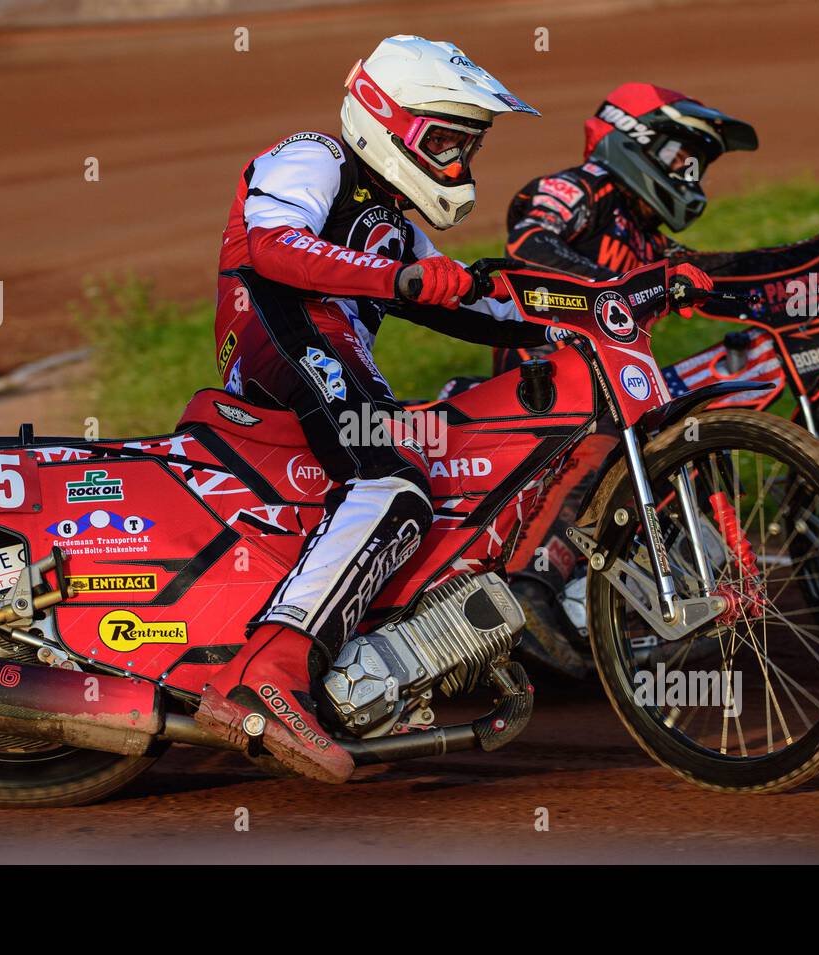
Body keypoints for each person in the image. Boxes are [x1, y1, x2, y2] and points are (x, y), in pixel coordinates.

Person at [194, 36, 557, 784]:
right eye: (446, 143)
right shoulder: (315, 155)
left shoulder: (393, 221)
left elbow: (476, 301)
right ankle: (270, 669)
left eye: (467, 147)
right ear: (386, 123)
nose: (459, 167)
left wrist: (586, 315)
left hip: (326, 355)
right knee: (395, 477)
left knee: (443, 460)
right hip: (282, 335)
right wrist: (402, 280)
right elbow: (271, 246)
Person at [486, 83, 819, 679]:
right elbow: (530, 241)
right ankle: (530, 587)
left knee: (681, 432)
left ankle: (628, 590)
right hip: (543, 382)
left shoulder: (646, 235)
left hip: (611, 387)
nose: (691, 175)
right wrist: (612, 286)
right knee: (601, 440)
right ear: (635, 143)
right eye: (683, 159)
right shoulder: (574, 189)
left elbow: (720, 276)